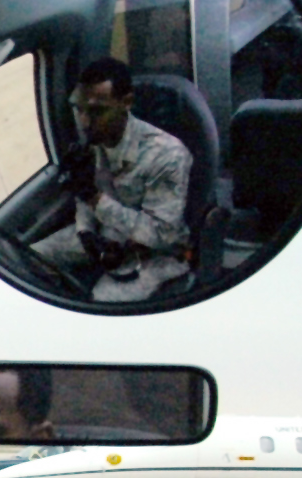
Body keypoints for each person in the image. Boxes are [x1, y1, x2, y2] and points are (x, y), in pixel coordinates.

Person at [27, 57, 193, 303]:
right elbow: (85, 197)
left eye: (97, 111)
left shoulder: (167, 155)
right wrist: (86, 232)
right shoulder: (94, 141)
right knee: (31, 257)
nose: (84, 122)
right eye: (79, 109)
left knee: (101, 303)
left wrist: (95, 199)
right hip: (105, 235)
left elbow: (161, 235)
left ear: (126, 102)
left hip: (156, 253)